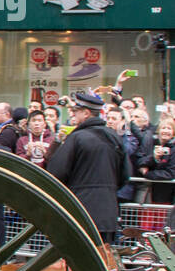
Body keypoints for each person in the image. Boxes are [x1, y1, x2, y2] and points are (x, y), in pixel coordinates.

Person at [47, 90, 129, 243]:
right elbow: (125, 176)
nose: (72, 115)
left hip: (81, 213)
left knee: (78, 263)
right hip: (108, 214)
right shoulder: (115, 138)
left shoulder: (76, 138)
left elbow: (56, 172)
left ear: (86, 113)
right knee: (103, 261)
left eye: (75, 111)